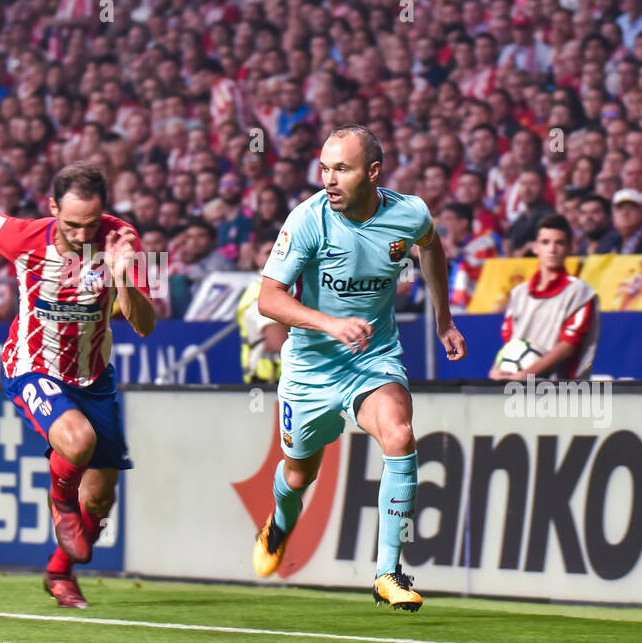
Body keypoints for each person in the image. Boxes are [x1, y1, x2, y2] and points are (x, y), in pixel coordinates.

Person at [251, 125, 466, 612]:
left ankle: (387, 572)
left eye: (341, 169)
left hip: (373, 358)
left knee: (400, 434)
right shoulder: (307, 220)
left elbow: (430, 247)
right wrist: (328, 323)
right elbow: (269, 298)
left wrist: (444, 319)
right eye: (324, 168)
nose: (328, 179)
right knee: (299, 473)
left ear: (372, 172)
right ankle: (282, 520)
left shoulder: (409, 213)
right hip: (310, 369)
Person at [0, 163, 155, 609]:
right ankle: (60, 505)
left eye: (91, 224)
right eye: (71, 224)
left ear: (104, 213)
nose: (82, 234)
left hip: (94, 377)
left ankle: (58, 573)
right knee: (78, 441)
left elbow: (146, 326)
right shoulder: (24, 236)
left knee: (102, 495)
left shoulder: (122, 240)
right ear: (53, 209)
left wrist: (124, 277)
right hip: (34, 366)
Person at [489, 214, 599, 380]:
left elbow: (568, 346)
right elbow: (511, 341)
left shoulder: (581, 293)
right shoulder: (519, 293)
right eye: (545, 242)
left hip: (564, 389)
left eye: (559, 243)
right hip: (519, 388)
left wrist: (527, 374)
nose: (552, 249)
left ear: (571, 247)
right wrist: (496, 369)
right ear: (535, 247)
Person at [237, 236, 288, 383]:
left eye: (281, 251)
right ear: (257, 259)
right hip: (266, 383)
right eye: (269, 252)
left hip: (280, 382)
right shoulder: (260, 294)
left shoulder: (287, 291)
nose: (276, 257)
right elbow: (279, 343)